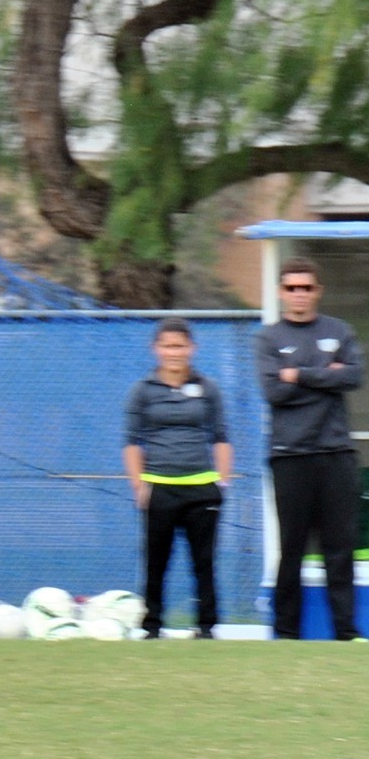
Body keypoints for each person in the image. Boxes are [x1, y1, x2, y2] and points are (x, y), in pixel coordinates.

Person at [255, 257, 364, 640]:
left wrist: (298, 374)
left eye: (306, 287)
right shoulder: (269, 338)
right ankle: (286, 633)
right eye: (292, 288)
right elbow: (274, 392)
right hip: (290, 456)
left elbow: (353, 376)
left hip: (336, 454)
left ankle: (345, 632)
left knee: (340, 548)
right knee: (292, 548)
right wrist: (325, 375)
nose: (299, 294)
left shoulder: (339, 330)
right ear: (281, 292)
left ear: (317, 291)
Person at [123, 317, 232, 639]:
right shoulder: (142, 391)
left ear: (192, 348)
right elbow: (131, 441)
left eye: (180, 346)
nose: (174, 352)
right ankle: (152, 627)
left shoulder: (208, 388)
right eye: (168, 346)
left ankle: (206, 627)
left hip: (201, 488)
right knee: (155, 563)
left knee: (204, 562)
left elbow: (221, 437)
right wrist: (139, 486)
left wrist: (222, 482)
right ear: (156, 349)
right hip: (159, 488)